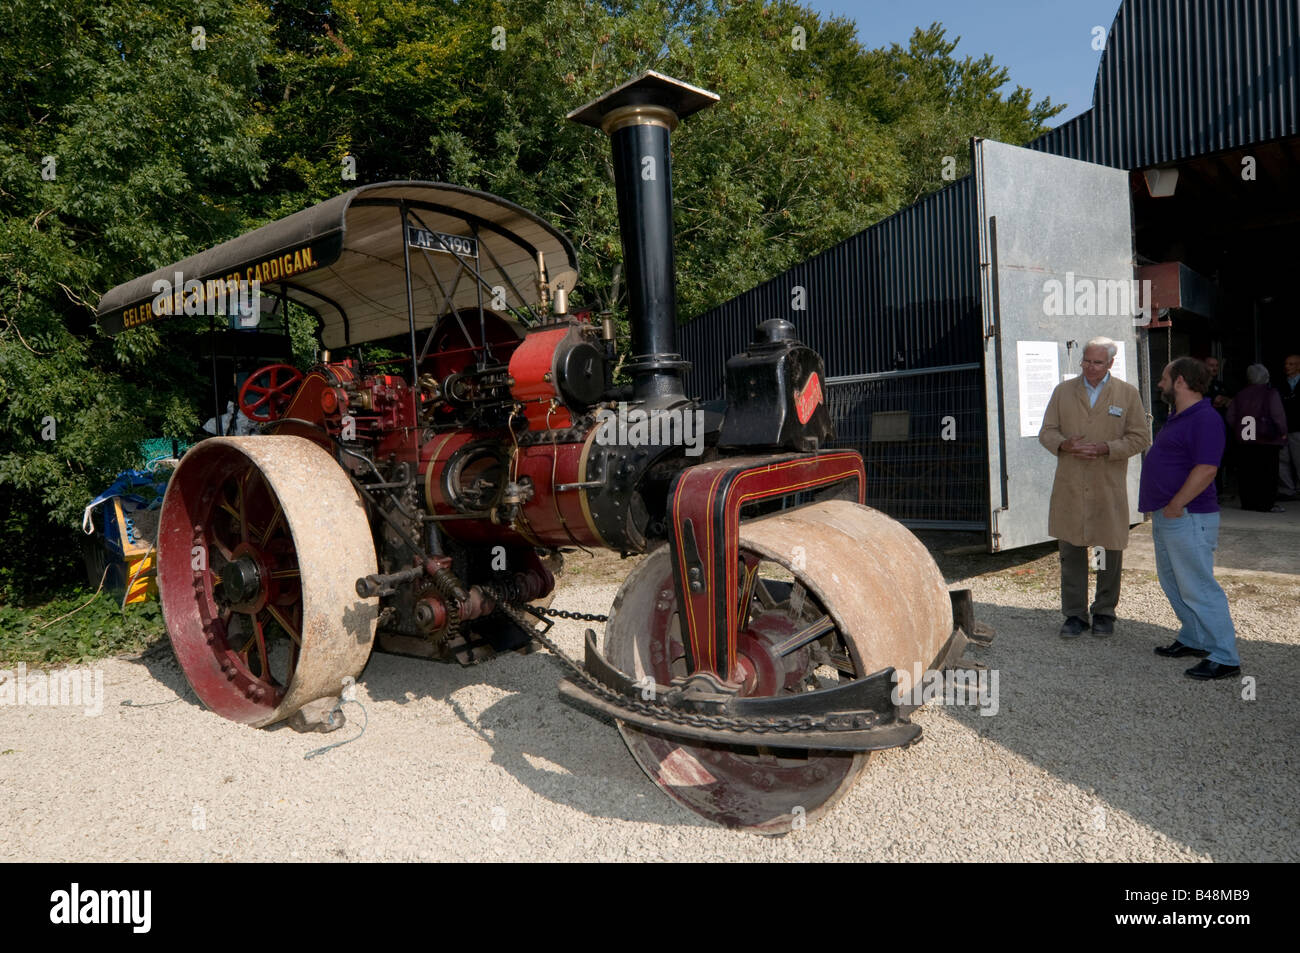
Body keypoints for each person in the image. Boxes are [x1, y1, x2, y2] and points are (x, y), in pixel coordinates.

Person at [1038, 337, 1150, 638]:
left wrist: (1106, 448)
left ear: (1111, 363)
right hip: (1070, 487)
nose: (1090, 367)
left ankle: (1104, 613)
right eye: (1086, 361)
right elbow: (1046, 432)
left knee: (1107, 551)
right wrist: (1064, 444)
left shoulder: (1127, 395)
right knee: (1071, 552)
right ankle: (1074, 615)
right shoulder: (1063, 392)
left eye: (1097, 362)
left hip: (1106, 486)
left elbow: (1141, 438)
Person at [1141, 357, 1240, 680]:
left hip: (1188, 515)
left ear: (1180, 381)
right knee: (1174, 582)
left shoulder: (1205, 419)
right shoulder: (1179, 416)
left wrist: (1176, 503)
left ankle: (1225, 656)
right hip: (1170, 515)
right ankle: (1194, 637)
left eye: (1164, 378)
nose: (1160, 384)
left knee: (1197, 585)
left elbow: (1207, 468)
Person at [1227, 364, 1288, 512]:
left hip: (1245, 441)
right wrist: (1283, 431)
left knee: (1247, 473)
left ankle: (1248, 503)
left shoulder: (1240, 394)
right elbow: (1278, 415)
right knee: (1268, 473)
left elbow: (1230, 417)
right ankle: (1266, 504)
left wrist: (1239, 429)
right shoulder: (1271, 393)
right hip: (1267, 440)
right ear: (1266, 377)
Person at [1204, 355, 1232, 496]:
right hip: (1206, 428)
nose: (1214, 368)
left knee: (1221, 459)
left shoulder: (1221, 384)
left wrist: (1222, 400)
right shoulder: (1200, 385)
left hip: (1221, 427)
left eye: (1216, 365)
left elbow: (1228, 401)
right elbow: (1214, 401)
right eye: (1211, 365)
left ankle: (1219, 491)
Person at [1278, 354, 1300, 500]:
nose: (1287, 367)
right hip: (1283, 428)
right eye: (1286, 364)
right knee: (1282, 460)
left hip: (1298, 428)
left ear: (1298, 366)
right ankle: (1287, 490)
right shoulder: (1280, 384)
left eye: (1291, 364)